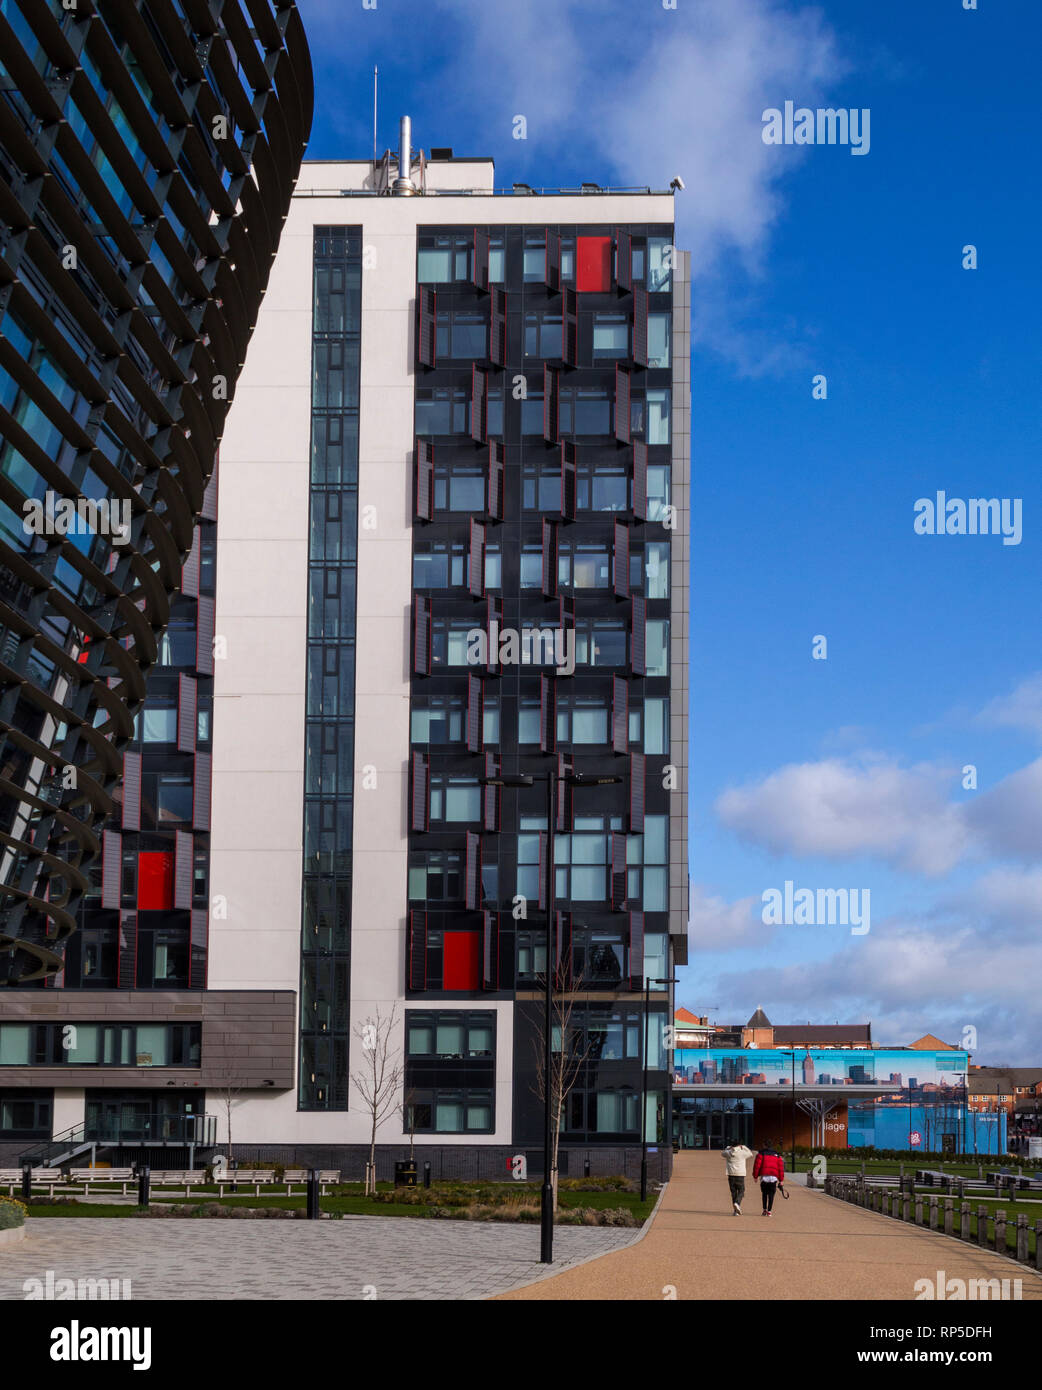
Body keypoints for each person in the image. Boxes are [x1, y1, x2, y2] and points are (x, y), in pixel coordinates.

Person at [753, 1143, 785, 1215]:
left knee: (764, 1194)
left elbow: (757, 1166)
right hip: (773, 1177)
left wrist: (755, 1176)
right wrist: (781, 1180)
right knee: (771, 1195)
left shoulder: (761, 1154)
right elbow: (780, 1168)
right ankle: (769, 1211)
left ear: (764, 1146)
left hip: (764, 1177)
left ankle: (764, 1209)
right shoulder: (777, 1155)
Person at [723, 1141, 754, 1215]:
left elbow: (723, 1153)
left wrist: (728, 1147)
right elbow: (750, 1153)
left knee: (733, 1192)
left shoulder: (728, 1152)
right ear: (739, 1145)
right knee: (741, 1191)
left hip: (731, 1174)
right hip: (740, 1174)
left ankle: (735, 1211)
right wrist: (743, 1147)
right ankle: (737, 1203)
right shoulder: (742, 1152)